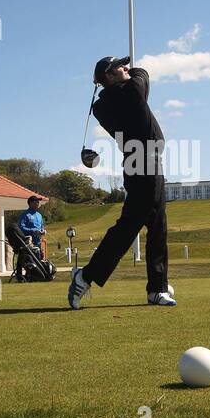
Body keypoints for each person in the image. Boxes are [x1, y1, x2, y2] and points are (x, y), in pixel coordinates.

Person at [68, 55, 174, 308]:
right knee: (129, 227)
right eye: (119, 67)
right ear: (108, 76)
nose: (127, 67)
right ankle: (86, 276)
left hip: (149, 163)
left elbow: (137, 76)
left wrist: (121, 72)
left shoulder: (111, 98)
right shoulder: (126, 94)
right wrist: (131, 72)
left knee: (157, 225)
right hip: (140, 163)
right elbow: (143, 75)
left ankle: (157, 287)